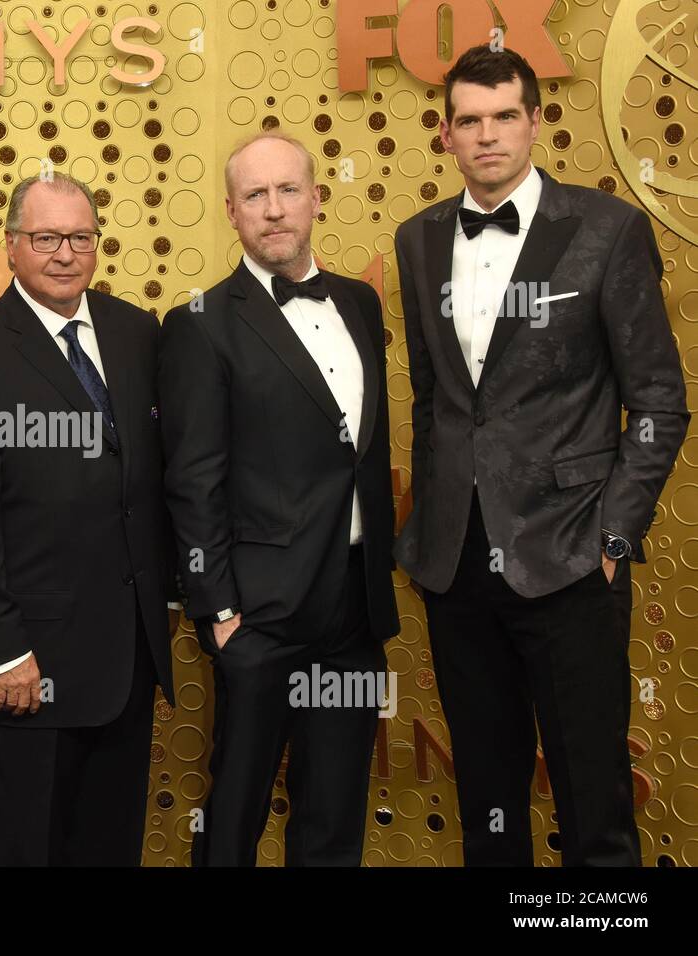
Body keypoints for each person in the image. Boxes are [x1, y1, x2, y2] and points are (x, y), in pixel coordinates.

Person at [394, 44, 689, 865]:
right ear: (446, 133)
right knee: (488, 805)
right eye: (469, 121)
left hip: (570, 558)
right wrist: (432, 527)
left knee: (593, 805)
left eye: (503, 118)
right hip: (455, 566)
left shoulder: (607, 230)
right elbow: (433, 399)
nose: (487, 136)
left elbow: (660, 401)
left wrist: (616, 536)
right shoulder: (416, 241)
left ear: (534, 121)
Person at [0, 172, 180, 866]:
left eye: (80, 238)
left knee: (112, 846)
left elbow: (153, 482)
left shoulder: (135, 333)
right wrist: (3, 652)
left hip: (128, 658)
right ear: (11, 246)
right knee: (32, 849)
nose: (64, 253)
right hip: (30, 668)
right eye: (45, 238)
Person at [159, 132, 398, 866]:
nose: (273, 210)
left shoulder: (358, 303)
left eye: (288, 190)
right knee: (234, 817)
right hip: (260, 616)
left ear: (316, 198)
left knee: (334, 815)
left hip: (353, 610)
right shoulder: (199, 323)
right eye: (254, 196)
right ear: (231, 212)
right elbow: (191, 478)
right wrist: (221, 613)